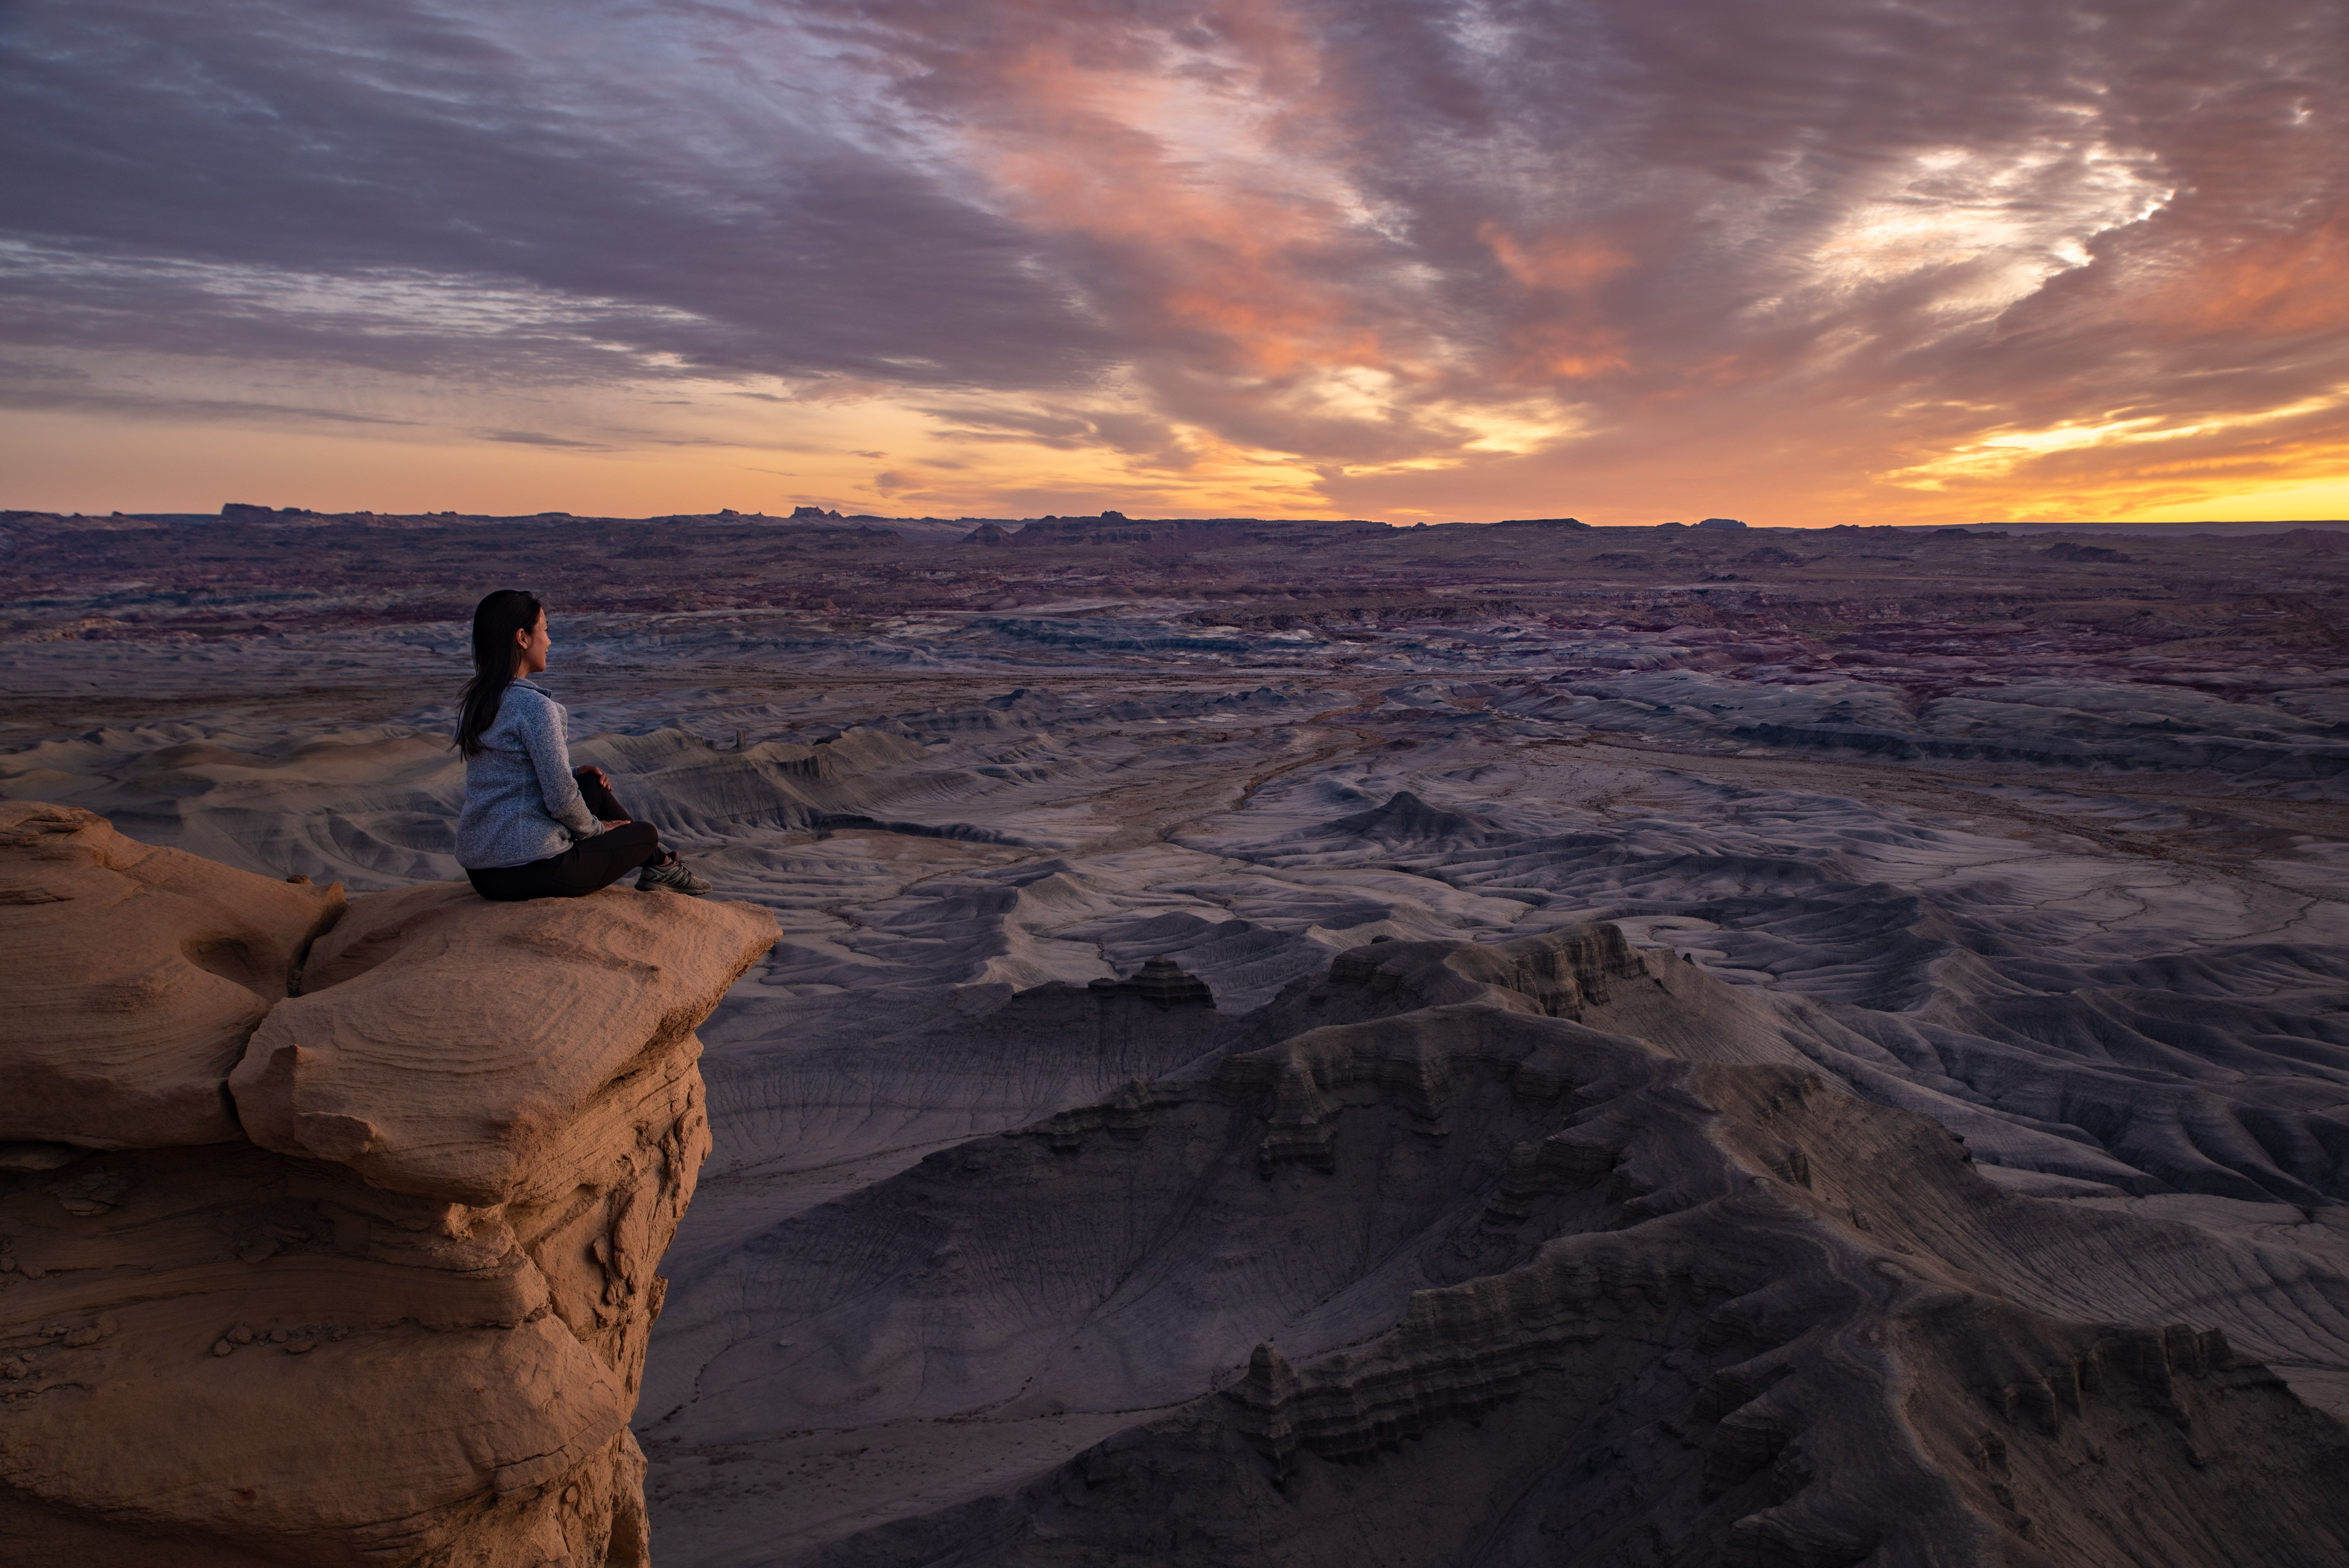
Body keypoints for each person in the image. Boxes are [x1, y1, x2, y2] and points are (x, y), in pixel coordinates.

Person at [453, 589, 711, 900]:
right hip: (535, 869)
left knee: (588, 782)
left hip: (484, 875)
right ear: (523, 638)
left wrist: (571, 772)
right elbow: (561, 799)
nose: (549, 642)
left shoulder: (480, 700)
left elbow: (507, 771)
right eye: (545, 631)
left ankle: (661, 865)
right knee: (645, 834)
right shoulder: (536, 708)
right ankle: (660, 863)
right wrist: (597, 829)